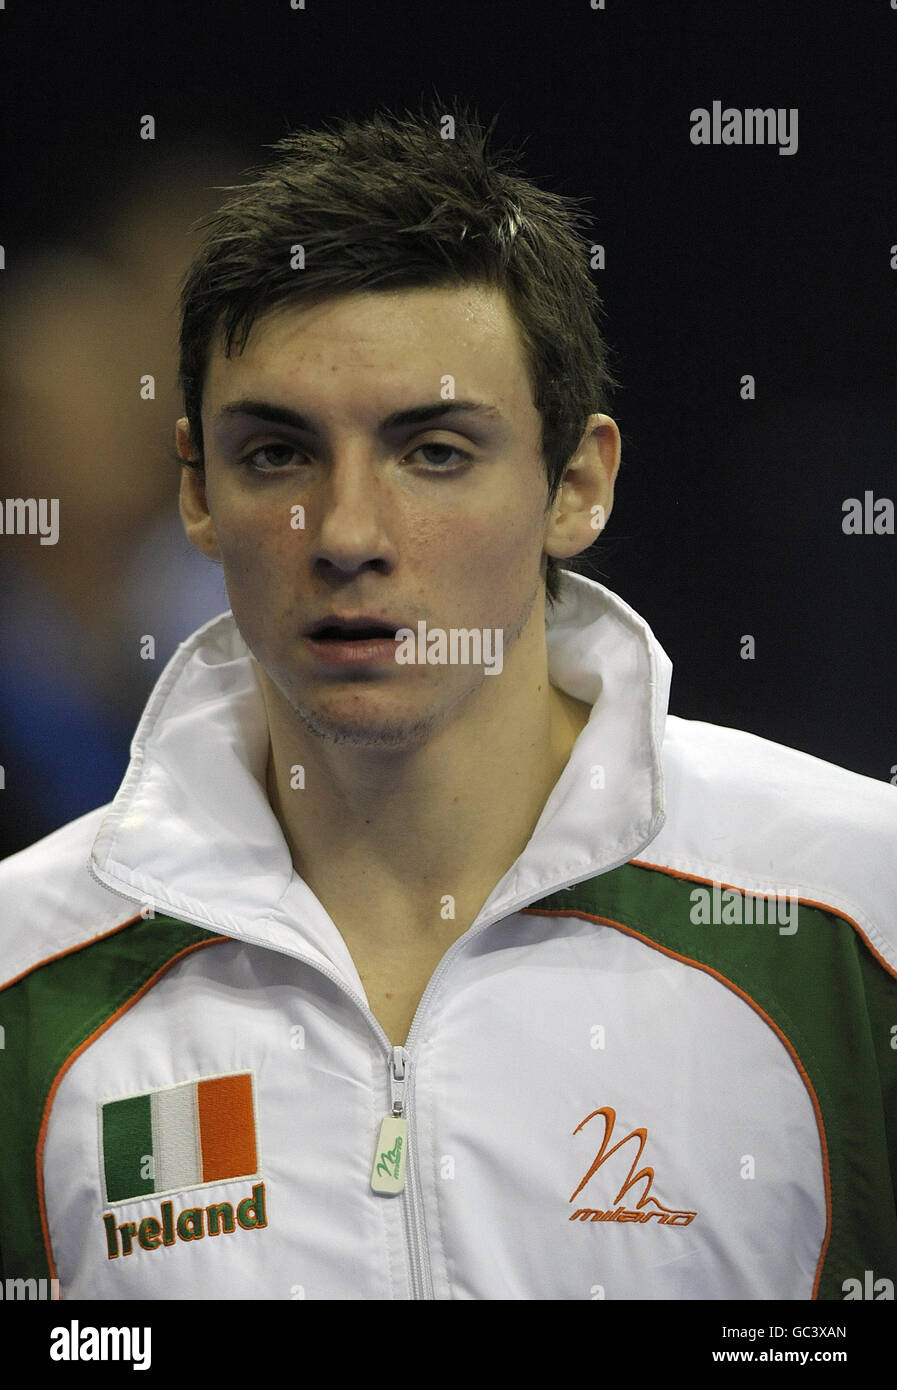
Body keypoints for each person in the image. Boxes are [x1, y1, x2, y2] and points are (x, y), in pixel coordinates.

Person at [0, 99, 894, 1303]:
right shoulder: (23, 978)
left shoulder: (855, 915)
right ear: (198, 493)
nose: (348, 533)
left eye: (434, 451)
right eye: (277, 454)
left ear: (577, 485)